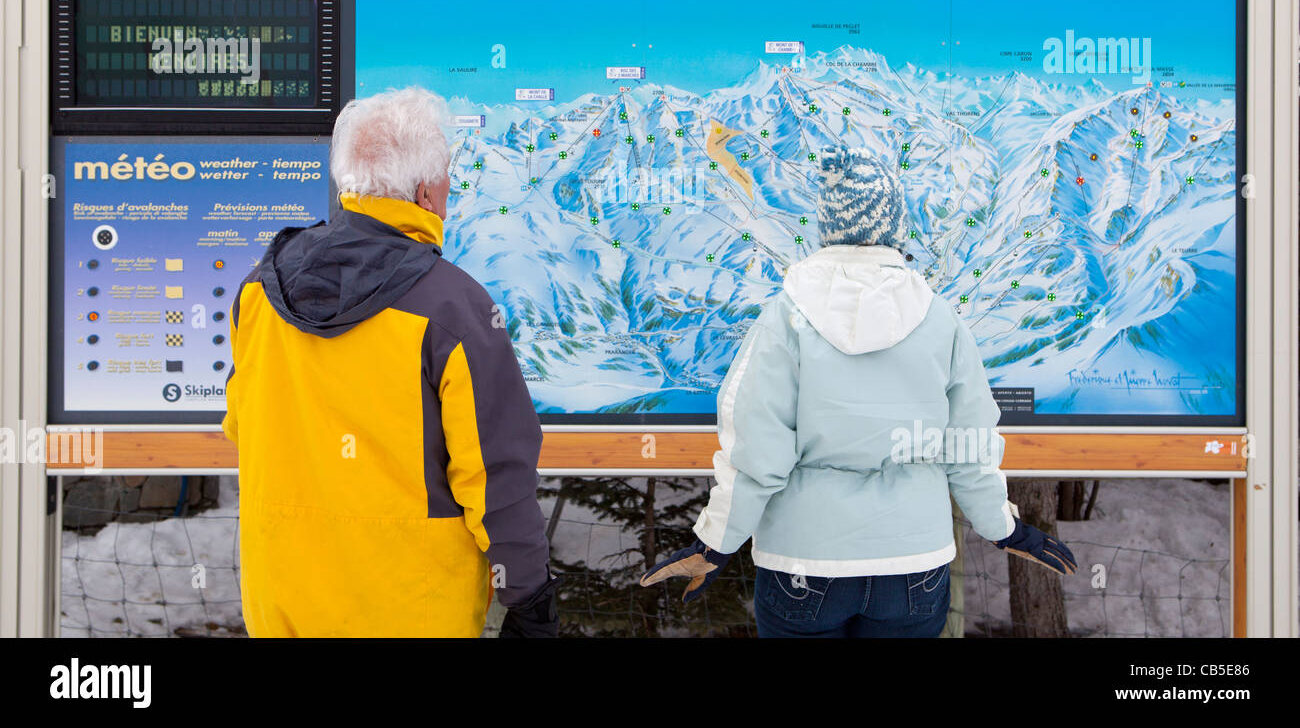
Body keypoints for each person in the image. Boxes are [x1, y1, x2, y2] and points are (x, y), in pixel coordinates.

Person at [641, 147, 1076, 637]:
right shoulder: (941, 320)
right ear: (893, 226)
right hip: (915, 563)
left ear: (827, 227)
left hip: (803, 562)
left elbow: (756, 449)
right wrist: (1005, 529)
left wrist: (714, 544)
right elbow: (971, 446)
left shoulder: (786, 317)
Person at [223, 86, 558, 637]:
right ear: (427, 192)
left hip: (280, 602)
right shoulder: (454, 309)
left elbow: (242, 425)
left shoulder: (259, 293)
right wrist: (529, 596)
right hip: (411, 609)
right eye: (449, 177)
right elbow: (495, 475)